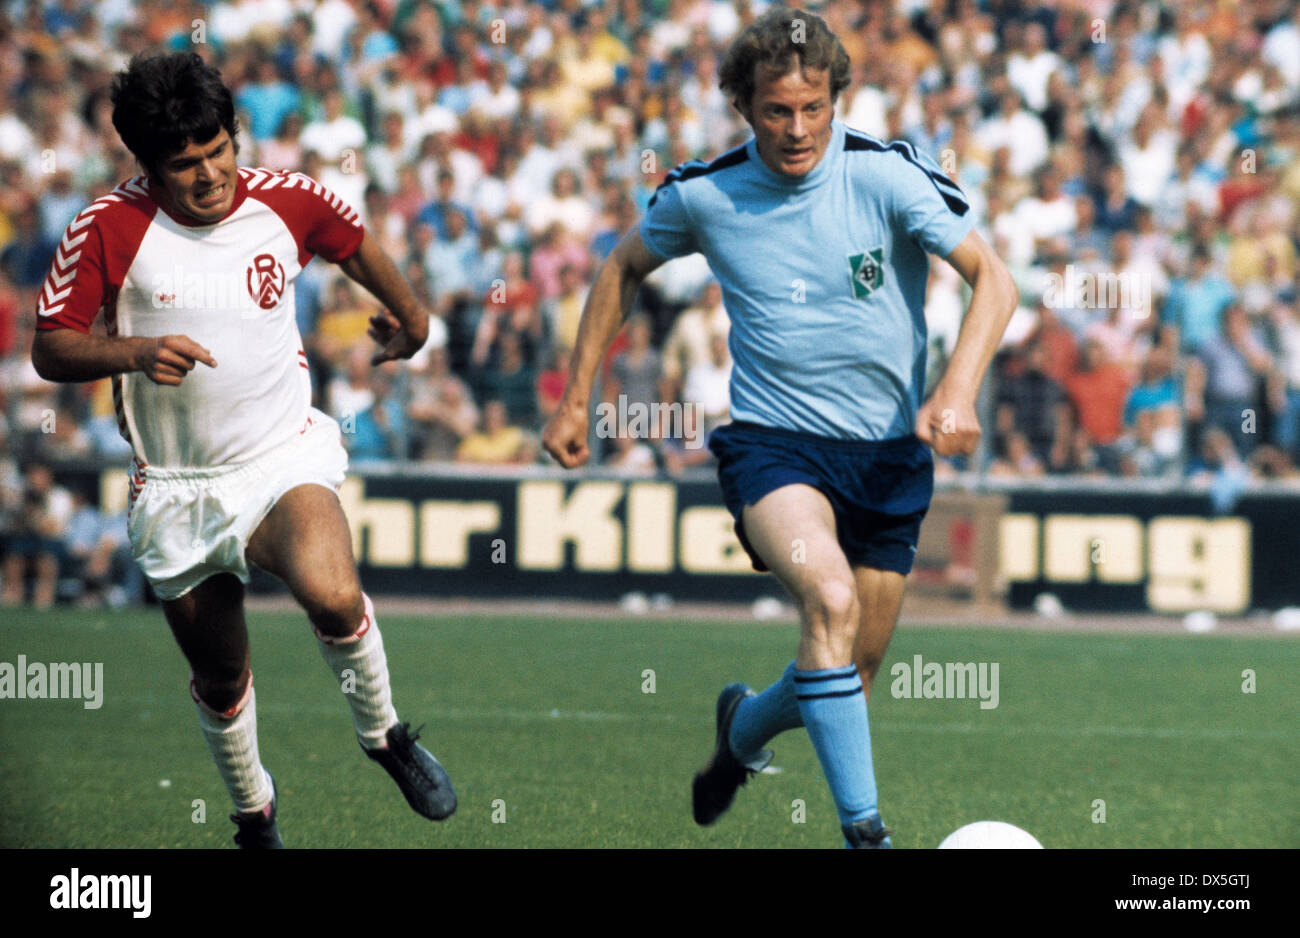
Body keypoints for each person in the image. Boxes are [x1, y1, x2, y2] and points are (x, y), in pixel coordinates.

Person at [542, 8, 1016, 848]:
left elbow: (995, 282)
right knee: (828, 602)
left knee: (850, 672)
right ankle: (865, 833)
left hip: (891, 459)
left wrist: (959, 389)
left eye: (813, 109)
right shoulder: (707, 193)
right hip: (774, 445)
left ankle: (741, 732)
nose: (796, 130)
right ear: (742, 104)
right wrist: (579, 394)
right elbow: (621, 266)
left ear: (838, 99)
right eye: (775, 111)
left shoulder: (887, 177)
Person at [30, 52, 455, 848]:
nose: (209, 174)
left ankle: (387, 737)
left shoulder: (287, 200)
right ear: (149, 167)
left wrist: (413, 318)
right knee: (222, 675)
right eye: (184, 164)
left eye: (218, 149)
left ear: (234, 134)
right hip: (177, 487)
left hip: (280, 455)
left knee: (333, 596)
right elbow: (51, 346)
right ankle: (253, 814)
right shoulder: (106, 228)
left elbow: (351, 241)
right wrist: (132, 354)